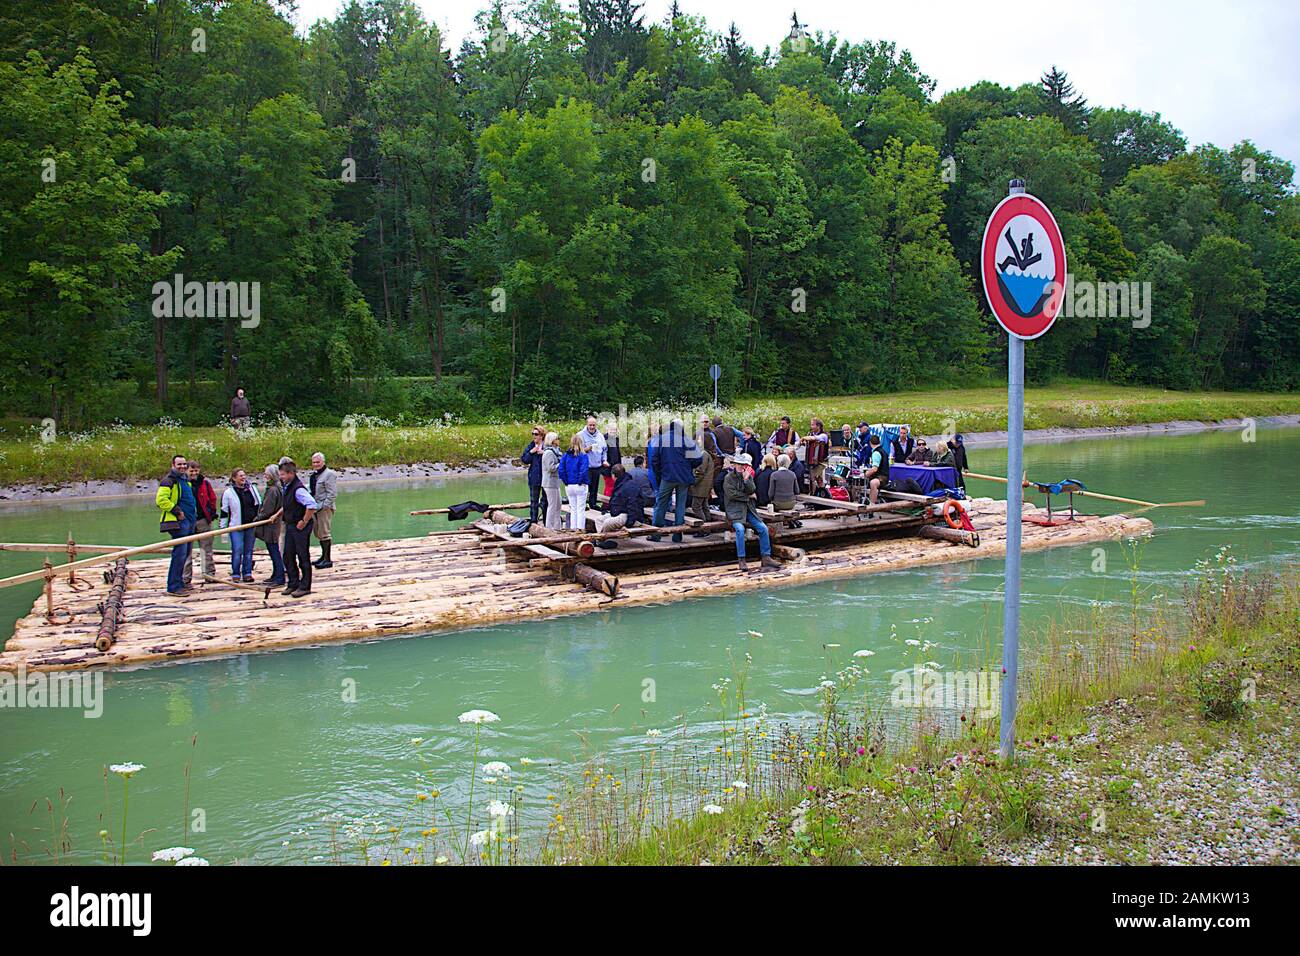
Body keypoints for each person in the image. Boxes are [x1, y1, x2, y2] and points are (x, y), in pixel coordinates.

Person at [722, 453, 780, 573]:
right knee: (740, 530)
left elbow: (752, 489)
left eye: (743, 465)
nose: (741, 466)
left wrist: (746, 480)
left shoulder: (748, 476)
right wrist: (748, 497)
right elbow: (732, 495)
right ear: (735, 465)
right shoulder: (728, 478)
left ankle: (766, 557)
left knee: (763, 528)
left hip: (749, 510)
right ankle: (741, 559)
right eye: (739, 464)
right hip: (735, 511)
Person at [648, 419, 701, 543]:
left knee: (661, 504)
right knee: (680, 505)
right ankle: (677, 535)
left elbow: (654, 459)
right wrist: (689, 466)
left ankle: (656, 534)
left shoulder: (662, 439)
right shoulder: (687, 440)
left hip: (667, 476)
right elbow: (698, 458)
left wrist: (659, 474)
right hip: (684, 478)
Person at [157, 454, 196, 596]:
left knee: (184, 555)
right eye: (179, 464)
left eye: (184, 464)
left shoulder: (185, 481)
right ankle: (173, 587)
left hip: (190, 522)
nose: (182, 467)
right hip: (178, 523)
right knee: (179, 554)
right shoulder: (169, 481)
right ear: (173, 466)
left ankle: (180, 583)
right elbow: (161, 500)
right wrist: (177, 511)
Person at [278, 459, 317, 598]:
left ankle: (305, 586)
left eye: (282, 474)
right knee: (287, 555)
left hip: (300, 525)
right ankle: (293, 583)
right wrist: (277, 515)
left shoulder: (298, 489)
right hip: (290, 524)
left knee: (302, 555)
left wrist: (304, 521)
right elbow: (288, 504)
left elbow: (312, 505)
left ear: (291, 474)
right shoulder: (287, 486)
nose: (281, 477)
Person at [221, 467, 262, 582]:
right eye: (240, 476)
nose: (243, 478)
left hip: (250, 525)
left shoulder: (252, 489)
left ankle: (247, 573)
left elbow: (259, 505)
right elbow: (224, 511)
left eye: (244, 475)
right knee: (237, 549)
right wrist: (223, 529)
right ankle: (235, 573)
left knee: (248, 551)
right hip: (236, 526)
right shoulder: (228, 493)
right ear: (234, 478)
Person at [182, 459, 218, 588]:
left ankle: (209, 574)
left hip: (203, 520)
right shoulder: (182, 484)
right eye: (191, 471)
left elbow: (212, 499)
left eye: (196, 470)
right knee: (186, 552)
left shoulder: (205, 484)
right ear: (187, 470)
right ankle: (186, 578)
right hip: (187, 522)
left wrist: (212, 512)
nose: (194, 473)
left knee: (207, 549)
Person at [592, 464, 645, 547]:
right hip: (621, 513)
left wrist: (628, 524)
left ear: (613, 475)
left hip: (632, 517)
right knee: (599, 519)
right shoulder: (620, 484)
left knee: (607, 522)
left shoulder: (630, 486)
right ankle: (602, 540)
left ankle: (601, 540)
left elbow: (633, 505)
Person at [254, 463, 286, 586]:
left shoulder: (273, 490)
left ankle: (279, 577)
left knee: (274, 551)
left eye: (267, 474)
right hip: (272, 525)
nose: (265, 476)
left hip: (271, 525)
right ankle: (276, 574)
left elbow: (267, 509)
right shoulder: (275, 488)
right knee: (273, 550)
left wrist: (256, 519)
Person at [688, 416, 717, 534]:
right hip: (705, 486)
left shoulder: (703, 454)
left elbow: (699, 472)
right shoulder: (705, 453)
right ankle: (709, 527)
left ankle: (703, 530)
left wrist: (691, 481)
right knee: (705, 506)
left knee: (696, 507)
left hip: (701, 487)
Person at [309, 453, 338, 569]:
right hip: (315, 508)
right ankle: (323, 557)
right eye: (314, 462)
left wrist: (323, 506)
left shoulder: (329, 474)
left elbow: (332, 494)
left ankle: (327, 560)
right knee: (319, 533)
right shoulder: (314, 475)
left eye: (318, 462)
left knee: (325, 533)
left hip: (324, 508)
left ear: (323, 462)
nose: (316, 464)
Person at [558, 435, 590, 532]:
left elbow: (561, 469)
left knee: (573, 508)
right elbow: (584, 470)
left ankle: (573, 527)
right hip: (580, 484)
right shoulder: (583, 455)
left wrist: (566, 481)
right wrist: (580, 481)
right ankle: (580, 528)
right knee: (581, 508)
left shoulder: (565, 455)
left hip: (569, 485)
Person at [575, 416, 608, 511]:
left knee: (594, 487)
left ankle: (593, 504)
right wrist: (587, 449)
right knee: (585, 487)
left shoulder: (600, 436)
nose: (592, 427)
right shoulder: (580, 435)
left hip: (597, 466)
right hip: (586, 466)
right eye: (590, 425)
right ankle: (583, 505)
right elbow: (576, 451)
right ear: (587, 424)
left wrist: (604, 460)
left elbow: (604, 450)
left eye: (593, 425)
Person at [521, 427, 548, 523]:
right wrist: (531, 452)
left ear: (541, 435)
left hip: (546, 477)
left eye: (536, 434)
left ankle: (546, 522)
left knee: (545, 502)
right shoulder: (531, 445)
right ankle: (533, 522)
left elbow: (556, 455)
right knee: (534, 502)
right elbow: (524, 459)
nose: (534, 436)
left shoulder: (547, 445)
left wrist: (545, 453)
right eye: (533, 433)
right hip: (534, 477)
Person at [540, 432, 565, 530]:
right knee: (552, 505)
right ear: (552, 440)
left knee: (558, 505)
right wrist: (561, 463)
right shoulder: (548, 453)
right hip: (549, 483)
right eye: (557, 438)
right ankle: (549, 528)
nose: (559, 440)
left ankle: (557, 527)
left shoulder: (557, 451)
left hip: (556, 482)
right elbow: (551, 468)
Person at [859, 433, 890, 506]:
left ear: (870, 443)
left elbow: (875, 469)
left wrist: (865, 474)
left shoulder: (876, 453)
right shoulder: (883, 451)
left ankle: (872, 505)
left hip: (882, 478)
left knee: (873, 483)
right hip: (883, 476)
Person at [802, 418, 830, 490]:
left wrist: (804, 438)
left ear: (818, 426)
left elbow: (815, 438)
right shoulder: (810, 434)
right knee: (811, 479)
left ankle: (822, 491)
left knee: (818, 477)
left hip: (821, 462)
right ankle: (813, 492)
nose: (811, 427)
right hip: (811, 462)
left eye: (812, 425)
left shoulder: (824, 435)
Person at [602, 422, 622, 497]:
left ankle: (607, 505)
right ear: (607, 429)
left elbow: (617, 454)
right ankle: (607, 505)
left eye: (615, 430)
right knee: (610, 487)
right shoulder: (604, 439)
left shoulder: (616, 439)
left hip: (616, 468)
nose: (613, 431)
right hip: (608, 468)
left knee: (613, 487)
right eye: (611, 429)